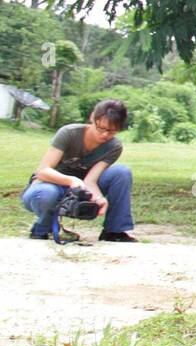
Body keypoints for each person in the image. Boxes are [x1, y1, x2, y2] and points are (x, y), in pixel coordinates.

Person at [21, 99, 136, 242]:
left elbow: (91, 180)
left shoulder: (114, 146)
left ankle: (114, 231)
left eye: (112, 131)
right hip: (47, 186)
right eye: (101, 128)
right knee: (48, 194)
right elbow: (43, 171)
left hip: (80, 189)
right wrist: (71, 180)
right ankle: (44, 227)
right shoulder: (69, 133)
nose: (105, 135)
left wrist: (99, 199)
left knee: (121, 172)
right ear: (92, 118)